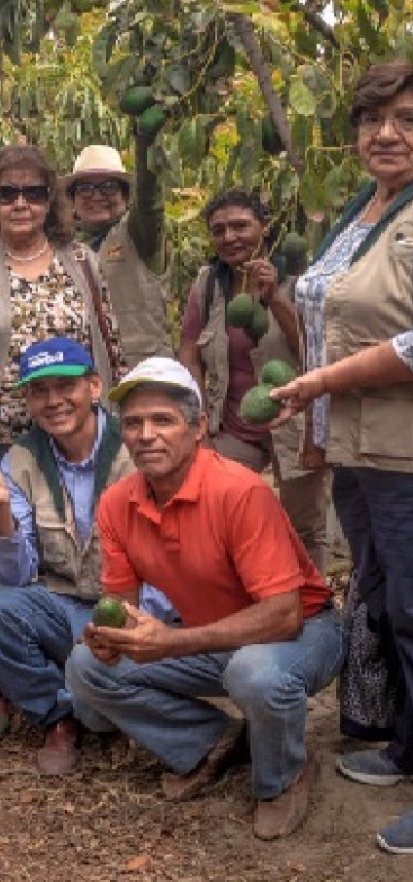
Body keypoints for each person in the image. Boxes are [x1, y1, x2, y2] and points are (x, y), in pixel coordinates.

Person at [65, 357, 342, 840]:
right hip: (212, 640)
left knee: (253, 672)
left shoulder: (239, 491)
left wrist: (173, 642)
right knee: (86, 665)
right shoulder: (117, 503)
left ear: (197, 428)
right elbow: (122, 608)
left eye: (162, 420)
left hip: (306, 633)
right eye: (133, 423)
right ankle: (213, 742)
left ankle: (284, 776)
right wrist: (110, 638)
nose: (145, 434)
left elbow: (285, 615)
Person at [0, 143, 123, 741]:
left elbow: (108, 340)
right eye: (5, 192)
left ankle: (97, 665)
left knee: (89, 541)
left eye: (33, 192)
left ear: (49, 200)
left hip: (75, 429)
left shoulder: (80, 260)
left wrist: (116, 410)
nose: (20, 203)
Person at [268, 59, 413, 856]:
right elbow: (328, 316)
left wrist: (324, 380)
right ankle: (402, 744)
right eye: (373, 120)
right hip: (361, 449)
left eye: (407, 121)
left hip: (404, 448)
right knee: (390, 599)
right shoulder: (367, 207)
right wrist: (321, 418)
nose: (386, 134)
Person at [0, 338, 132, 775]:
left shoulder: (136, 446)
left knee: (101, 694)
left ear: (94, 387)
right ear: (28, 401)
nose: (54, 401)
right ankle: (58, 715)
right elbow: (13, 578)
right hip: (64, 606)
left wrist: (136, 623)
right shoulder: (20, 460)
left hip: (132, 609)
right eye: (40, 391)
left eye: (65, 386)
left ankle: (99, 702)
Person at [177, 188, 327, 569]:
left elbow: (314, 352)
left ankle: (314, 610)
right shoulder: (208, 284)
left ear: (264, 226)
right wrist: (197, 420)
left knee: (303, 529)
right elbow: (190, 351)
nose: (230, 237)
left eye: (241, 226)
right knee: (211, 507)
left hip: (293, 428)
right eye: (219, 230)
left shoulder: (301, 279)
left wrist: (275, 297)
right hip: (234, 427)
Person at [64, 143, 171, 362]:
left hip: (142, 374)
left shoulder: (138, 234)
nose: (97, 196)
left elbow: (150, 200)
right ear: (73, 201)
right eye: (85, 188)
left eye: (109, 187)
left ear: (125, 196)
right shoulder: (62, 249)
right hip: (86, 376)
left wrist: (145, 139)